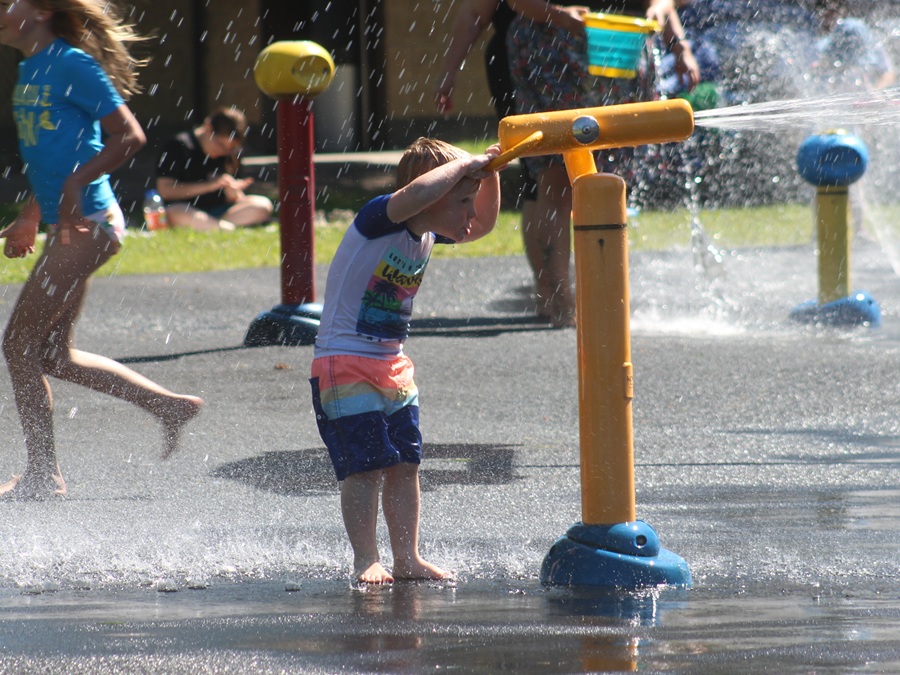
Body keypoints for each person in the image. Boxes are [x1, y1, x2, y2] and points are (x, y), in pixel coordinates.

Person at [0, 0, 203, 500]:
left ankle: (45, 476)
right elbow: (53, 152)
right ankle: (167, 405)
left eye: (8, 2)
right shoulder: (32, 67)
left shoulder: (72, 63)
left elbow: (128, 135)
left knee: (17, 346)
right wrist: (31, 215)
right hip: (70, 226)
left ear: (43, 9)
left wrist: (75, 185)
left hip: (89, 224)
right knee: (52, 354)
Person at [309, 137, 504, 584]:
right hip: (344, 363)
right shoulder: (378, 219)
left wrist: (490, 172)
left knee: (405, 463)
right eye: (462, 202)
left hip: (393, 365)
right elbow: (414, 195)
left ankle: (407, 557)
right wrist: (465, 167)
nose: (471, 214)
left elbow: (488, 222)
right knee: (365, 468)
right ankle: (366, 559)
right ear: (433, 194)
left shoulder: (431, 231)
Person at [506, 0, 699, 326]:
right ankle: (562, 300)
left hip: (621, 42)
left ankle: (604, 296)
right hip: (552, 46)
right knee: (556, 175)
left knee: (612, 179)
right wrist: (556, 14)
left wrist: (675, 37)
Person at [155, 107, 274, 231]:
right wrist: (210, 186)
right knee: (175, 212)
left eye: (230, 148)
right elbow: (165, 190)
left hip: (222, 211)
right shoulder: (178, 145)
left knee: (262, 205)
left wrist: (233, 193)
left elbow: (236, 200)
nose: (223, 151)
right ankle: (223, 227)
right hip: (187, 209)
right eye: (220, 144)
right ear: (208, 128)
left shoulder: (232, 153)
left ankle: (217, 226)